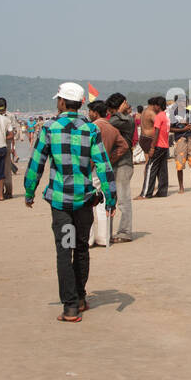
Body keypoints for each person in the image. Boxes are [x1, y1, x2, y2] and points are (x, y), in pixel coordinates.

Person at [24, 83, 116, 322]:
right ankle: (81, 297)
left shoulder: (49, 128)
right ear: (81, 104)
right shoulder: (90, 129)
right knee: (82, 248)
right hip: (85, 200)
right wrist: (110, 198)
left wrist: (29, 191)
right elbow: (104, 165)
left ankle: (70, 306)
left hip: (60, 202)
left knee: (65, 251)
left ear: (63, 102)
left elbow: (37, 163)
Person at [104, 94, 137, 243]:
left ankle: (125, 232)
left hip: (123, 163)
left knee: (123, 200)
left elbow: (110, 122)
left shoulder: (126, 120)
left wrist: (118, 111)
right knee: (111, 198)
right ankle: (107, 232)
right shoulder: (119, 118)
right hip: (114, 163)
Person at [138, 96, 171, 198]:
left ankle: (147, 191)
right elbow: (158, 129)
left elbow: (157, 129)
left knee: (151, 166)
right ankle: (157, 190)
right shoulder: (158, 115)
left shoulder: (145, 112)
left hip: (147, 139)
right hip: (154, 141)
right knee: (155, 167)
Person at [168, 95, 191, 193]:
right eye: (182, 101)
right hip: (180, 139)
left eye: (185, 101)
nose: (184, 102)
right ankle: (181, 187)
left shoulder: (188, 112)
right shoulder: (173, 113)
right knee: (180, 164)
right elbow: (170, 128)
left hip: (190, 138)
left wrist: (190, 126)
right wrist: (183, 129)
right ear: (177, 102)